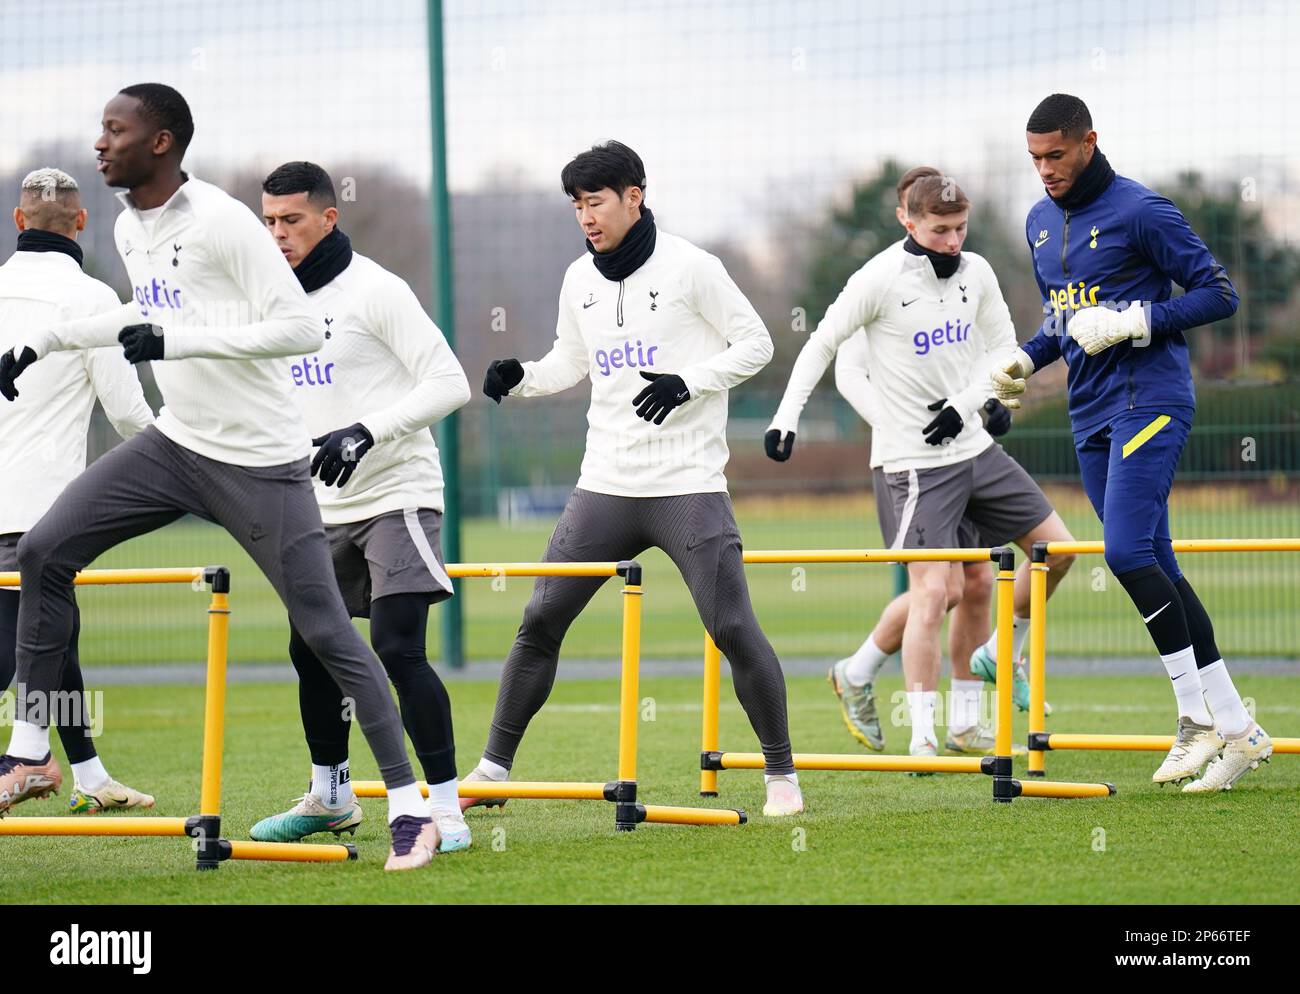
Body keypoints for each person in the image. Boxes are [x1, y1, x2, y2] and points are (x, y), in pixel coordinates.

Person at [0, 84, 437, 869]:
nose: (99, 144)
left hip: (261, 463)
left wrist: (177, 344)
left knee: (329, 632)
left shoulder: (224, 223)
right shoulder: (134, 226)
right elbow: (145, 311)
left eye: (115, 130)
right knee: (44, 550)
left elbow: (298, 329)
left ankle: (412, 809)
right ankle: (31, 745)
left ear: (161, 142)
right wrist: (45, 342)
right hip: (175, 443)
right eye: (100, 130)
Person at [473, 140, 803, 816]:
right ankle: (492, 771)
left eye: (595, 202)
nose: (585, 217)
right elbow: (571, 361)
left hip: (687, 483)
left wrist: (689, 382)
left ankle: (781, 778)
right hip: (606, 485)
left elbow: (758, 344)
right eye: (577, 206)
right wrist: (524, 379)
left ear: (635, 195)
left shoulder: (693, 267)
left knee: (732, 627)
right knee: (539, 619)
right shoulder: (578, 280)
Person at [993, 93, 1270, 791]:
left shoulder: (1142, 210)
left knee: (1121, 552)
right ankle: (1238, 729)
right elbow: (1064, 320)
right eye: (1035, 159)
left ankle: (1195, 721)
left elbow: (1218, 294)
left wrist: (1134, 321)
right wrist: (1027, 359)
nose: (1045, 170)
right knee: (1156, 561)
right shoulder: (1035, 222)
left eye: (1056, 155)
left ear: (1089, 142)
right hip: (1088, 413)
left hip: (1151, 397)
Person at [768, 173, 1076, 760]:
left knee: (1049, 556)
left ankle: (980, 683)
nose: (954, 239)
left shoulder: (977, 271)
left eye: (961, 228)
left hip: (975, 451)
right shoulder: (878, 280)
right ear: (907, 221)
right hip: (913, 463)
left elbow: (1001, 345)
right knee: (937, 591)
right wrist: (786, 418)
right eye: (940, 229)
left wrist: (990, 403)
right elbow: (823, 346)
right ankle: (923, 734)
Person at [249, 161, 472, 851]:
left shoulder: (377, 291)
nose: (279, 235)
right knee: (309, 648)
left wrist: (366, 431)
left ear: (328, 218)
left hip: (396, 495)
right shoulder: (270, 300)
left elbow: (451, 383)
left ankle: (446, 810)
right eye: (269, 222)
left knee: (397, 649)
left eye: (291, 220)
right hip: (313, 504)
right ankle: (332, 797)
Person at [0, 167, 155, 813]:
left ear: (17, 221)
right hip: (40, 508)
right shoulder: (95, 301)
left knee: (51, 638)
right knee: (30, 643)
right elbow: (128, 415)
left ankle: (87, 774)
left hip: (21, 509)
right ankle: (32, 759)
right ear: (81, 222)